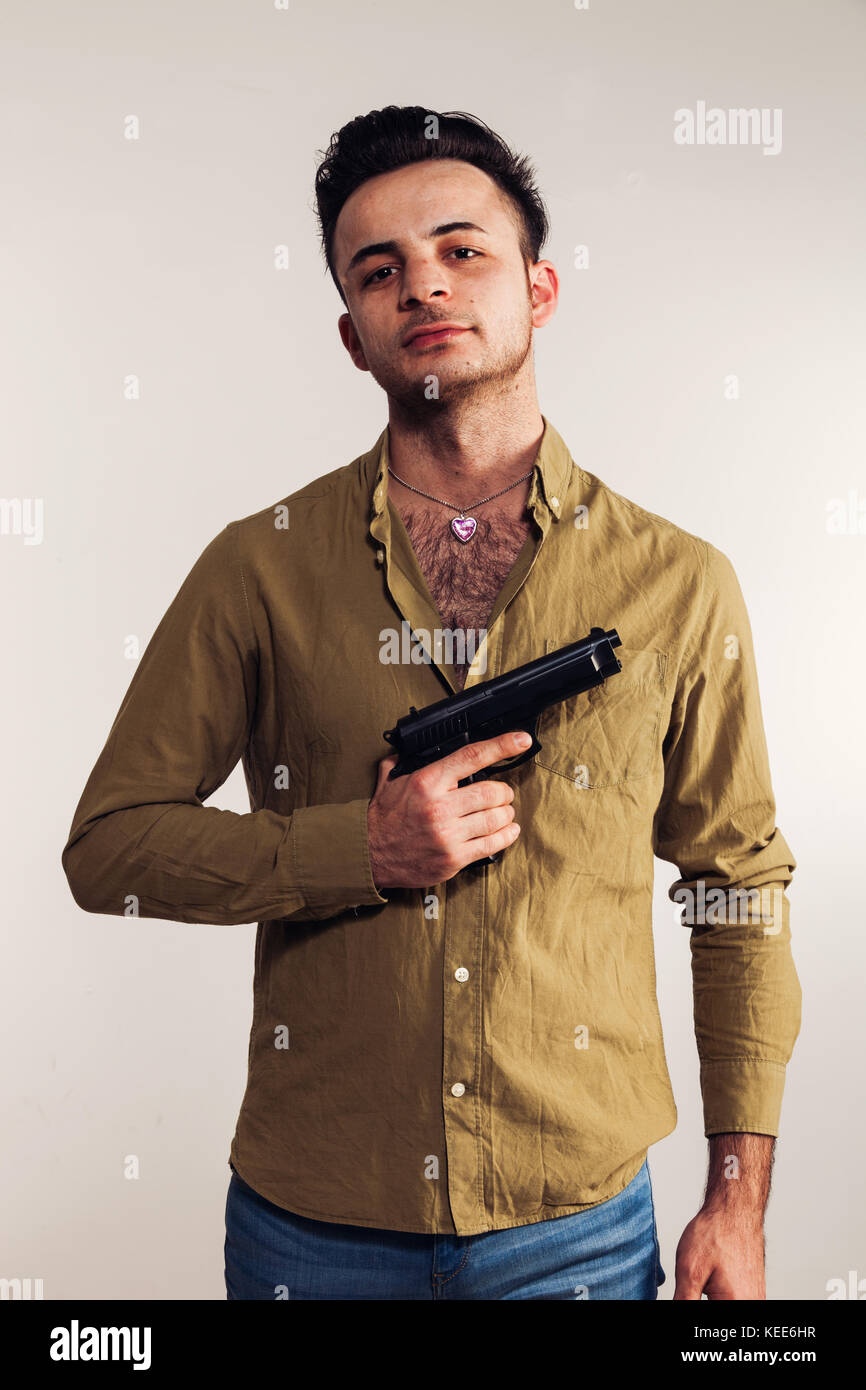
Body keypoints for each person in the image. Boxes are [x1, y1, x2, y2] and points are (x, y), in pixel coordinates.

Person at [61, 106, 802, 1301]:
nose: (423, 286)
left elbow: (737, 888)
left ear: (538, 287)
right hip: (314, 1223)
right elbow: (107, 848)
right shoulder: (258, 567)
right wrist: (355, 846)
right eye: (379, 270)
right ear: (352, 337)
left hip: (575, 1225)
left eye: (461, 250)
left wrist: (736, 1200)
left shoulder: (677, 583)